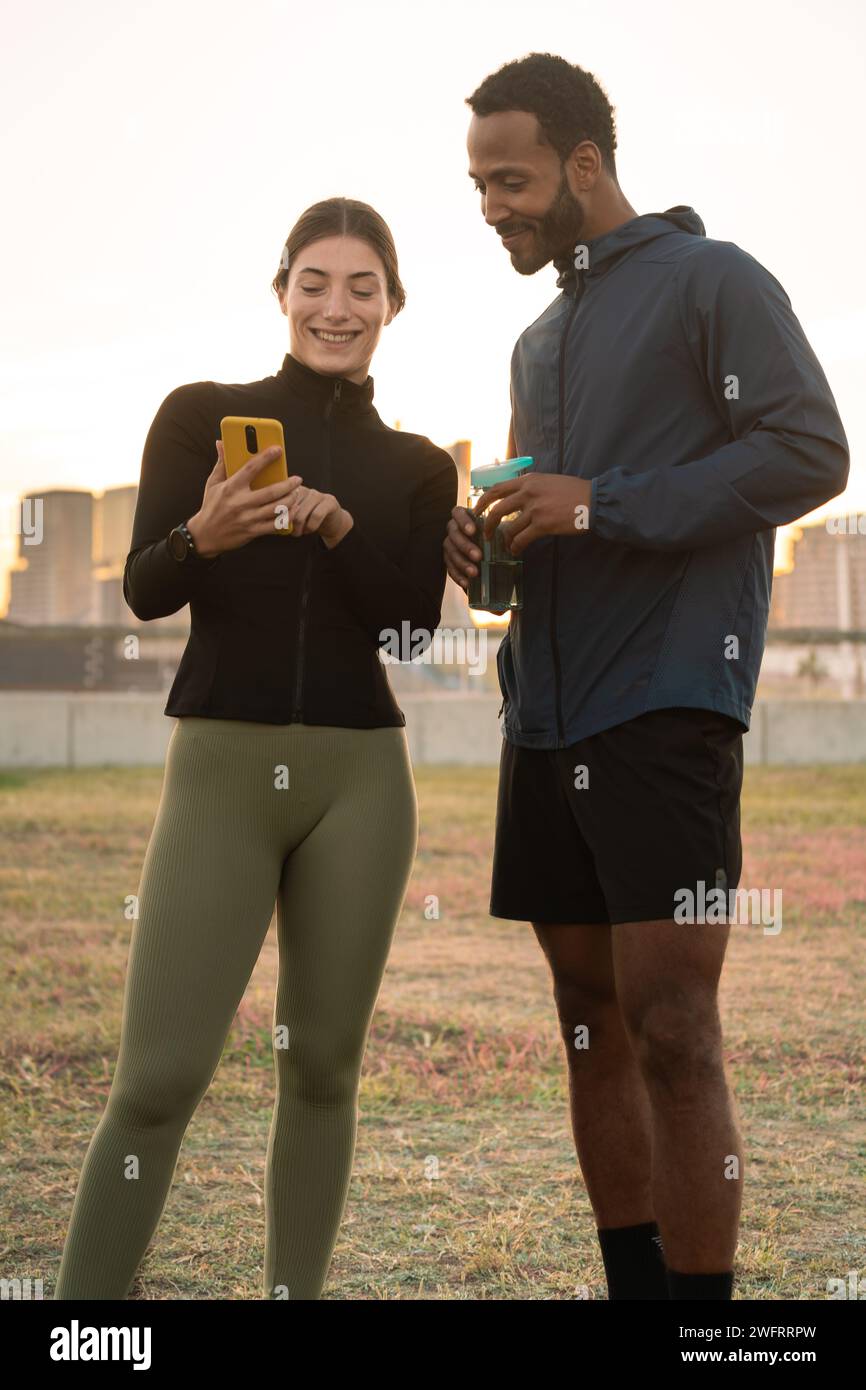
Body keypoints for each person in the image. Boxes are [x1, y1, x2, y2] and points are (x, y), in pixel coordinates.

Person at [445, 53, 849, 1301]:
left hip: (665, 705)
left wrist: (599, 500)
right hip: (545, 711)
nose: (492, 207)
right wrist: (488, 554)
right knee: (585, 1021)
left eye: (509, 180)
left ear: (582, 164)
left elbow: (806, 449)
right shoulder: (535, 339)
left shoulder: (712, 281)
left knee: (671, 1028)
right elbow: (552, 529)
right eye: (476, 187)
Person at [55, 197, 457, 1300]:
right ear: (281, 291)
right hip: (223, 769)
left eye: (362, 286)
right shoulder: (199, 417)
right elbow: (144, 587)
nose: (337, 306)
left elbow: (411, 629)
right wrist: (205, 532)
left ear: (392, 304)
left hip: (360, 777)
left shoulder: (420, 466)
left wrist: (335, 525)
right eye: (315, 282)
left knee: (321, 1068)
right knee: (156, 1078)